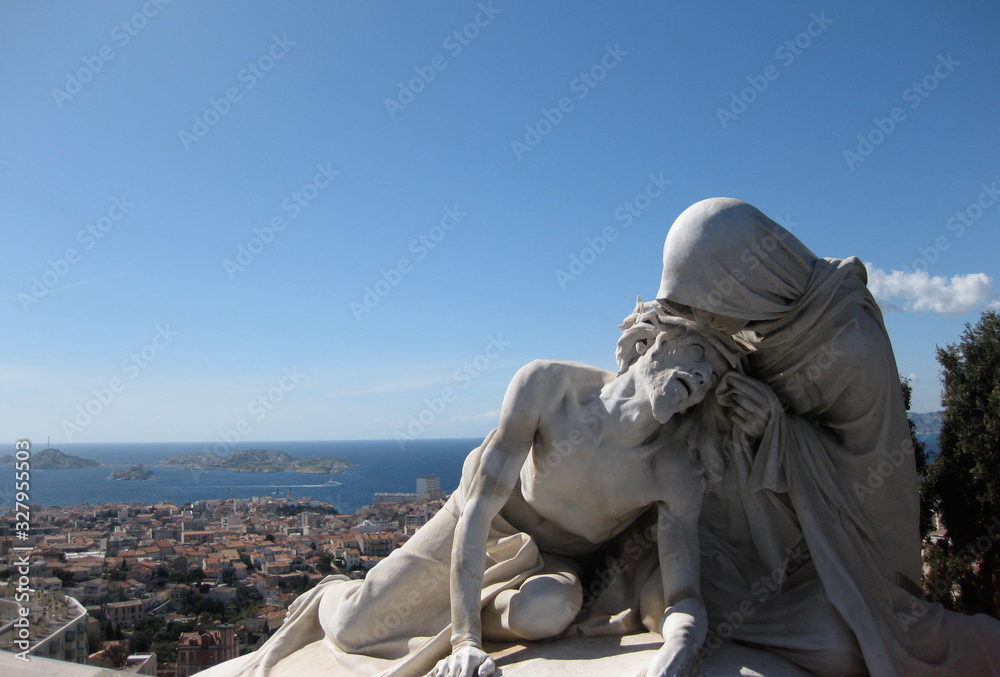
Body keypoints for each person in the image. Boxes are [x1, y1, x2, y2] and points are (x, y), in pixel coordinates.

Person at [216, 302, 741, 677]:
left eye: (712, 373)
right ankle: (336, 593)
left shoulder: (676, 471)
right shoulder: (548, 386)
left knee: (547, 612)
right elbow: (476, 515)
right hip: (485, 523)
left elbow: (684, 594)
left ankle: (476, 614)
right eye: (695, 352)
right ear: (652, 341)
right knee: (354, 628)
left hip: (561, 560)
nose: (699, 374)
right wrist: (465, 644)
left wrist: (679, 647)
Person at [654, 197, 1000, 675]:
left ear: (749, 282)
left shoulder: (851, 342)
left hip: (844, 556)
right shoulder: (752, 324)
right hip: (758, 544)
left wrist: (775, 429)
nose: (706, 320)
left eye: (711, 304)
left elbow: (868, 475)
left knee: (846, 643)